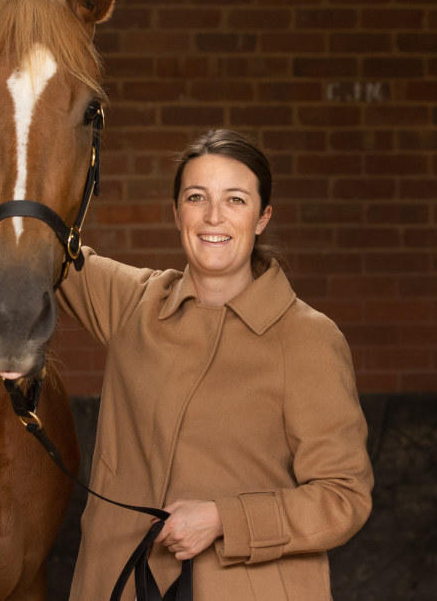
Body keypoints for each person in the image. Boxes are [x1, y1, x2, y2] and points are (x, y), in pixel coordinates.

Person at [58, 129, 373, 600]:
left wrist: (225, 519)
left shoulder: (308, 339)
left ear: (263, 217)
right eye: (196, 197)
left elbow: (343, 498)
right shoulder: (132, 304)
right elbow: (34, 245)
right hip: (118, 586)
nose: (213, 217)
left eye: (235, 200)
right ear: (176, 212)